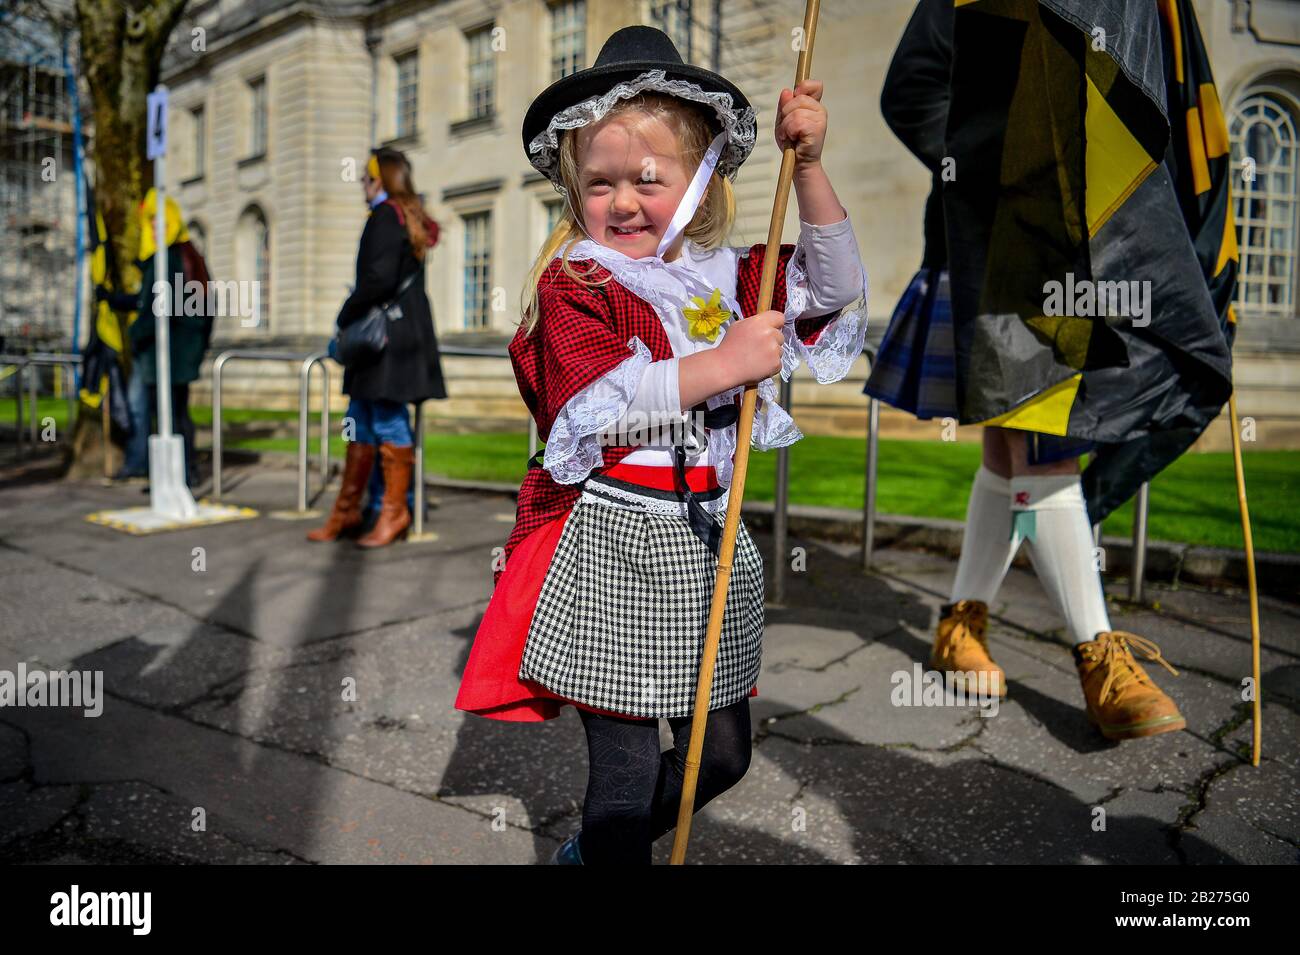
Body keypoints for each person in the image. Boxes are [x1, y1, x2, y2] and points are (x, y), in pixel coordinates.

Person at [454, 26, 868, 864]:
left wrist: (812, 165)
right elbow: (597, 403)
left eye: (648, 177)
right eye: (599, 183)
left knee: (722, 754)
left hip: (707, 538)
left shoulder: (732, 277)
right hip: (614, 542)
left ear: (698, 179)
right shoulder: (577, 282)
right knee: (627, 774)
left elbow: (836, 287)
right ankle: (607, 853)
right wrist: (721, 364)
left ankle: (589, 856)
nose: (623, 201)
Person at [865, 0, 1237, 740]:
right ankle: (1096, 651)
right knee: (1041, 434)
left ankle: (958, 622)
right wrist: (1004, 165)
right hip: (996, 245)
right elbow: (910, 90)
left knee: (1013, 447)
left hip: (1093, 249)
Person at [309, 148, 446, 547]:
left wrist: (345, 312)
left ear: (379, 180)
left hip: (386, 338)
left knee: (383, 419)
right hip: (394, 334)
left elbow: (378, 279)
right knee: (362, 418)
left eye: (365, 181)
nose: (362, 189)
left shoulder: (387, 216)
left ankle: (393, 511)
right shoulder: (403, 215)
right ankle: (350, 509)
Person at [102, 189, 209, 485]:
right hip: (180, 352)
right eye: (150, 224)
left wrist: (135, 335)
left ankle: (173, 475)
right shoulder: (188, 256)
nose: (152, 229)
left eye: (157, 223)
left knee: (165, 415)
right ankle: (180, 472)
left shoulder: (168, 259)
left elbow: (155, 309)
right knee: (176, 415)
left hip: (165, 353)